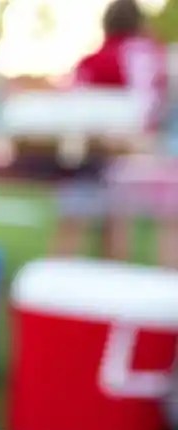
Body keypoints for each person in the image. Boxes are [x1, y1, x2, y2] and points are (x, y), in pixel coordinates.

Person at [55, 0, 167, 262]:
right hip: (132, 149)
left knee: (75, 222)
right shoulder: (149, 53)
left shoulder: (93, 60)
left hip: (91, 152)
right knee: (118, 223)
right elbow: (152, 102)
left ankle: (61, 279)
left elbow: (74, 104)